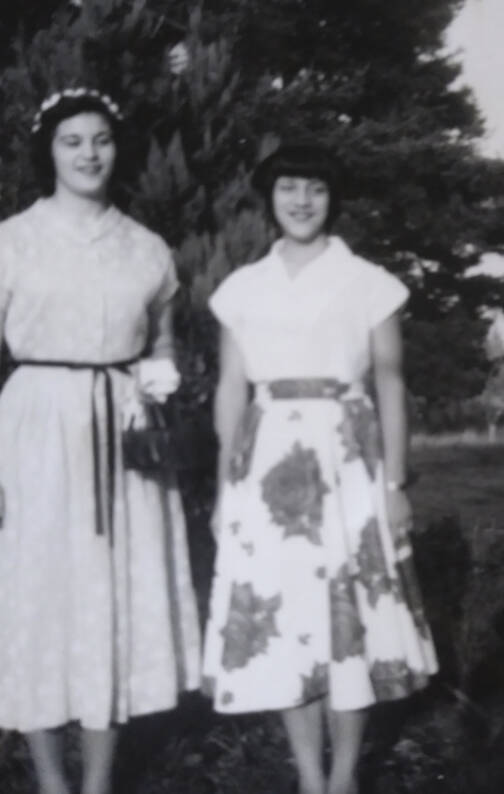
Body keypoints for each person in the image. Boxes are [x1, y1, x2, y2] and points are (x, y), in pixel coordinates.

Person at [201, 143, 438, 794]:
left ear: (333, 199)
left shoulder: (368, 282)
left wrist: (393, 484)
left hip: (348, 464)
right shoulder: (242, 288)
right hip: (267, 464)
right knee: (286, 617)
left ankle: (342, 777)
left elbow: (390, 383)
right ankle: (307, 776)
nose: (301, 201)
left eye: (315, 189)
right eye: (288, 189)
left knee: (347, 618)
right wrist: (227, 487)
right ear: (269, 197)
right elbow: (230, 390)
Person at [0, 88, 202, 794]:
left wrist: (158, 389)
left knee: (109, 594)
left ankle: (98, 785)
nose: (89, 154)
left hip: (124, 434)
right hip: (35, 426)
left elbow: (163, 344)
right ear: (48, 151)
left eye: (102, 140)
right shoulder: (10, 240)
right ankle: (52, 781)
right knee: (40, 591)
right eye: (72, 141)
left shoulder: (146, 248)